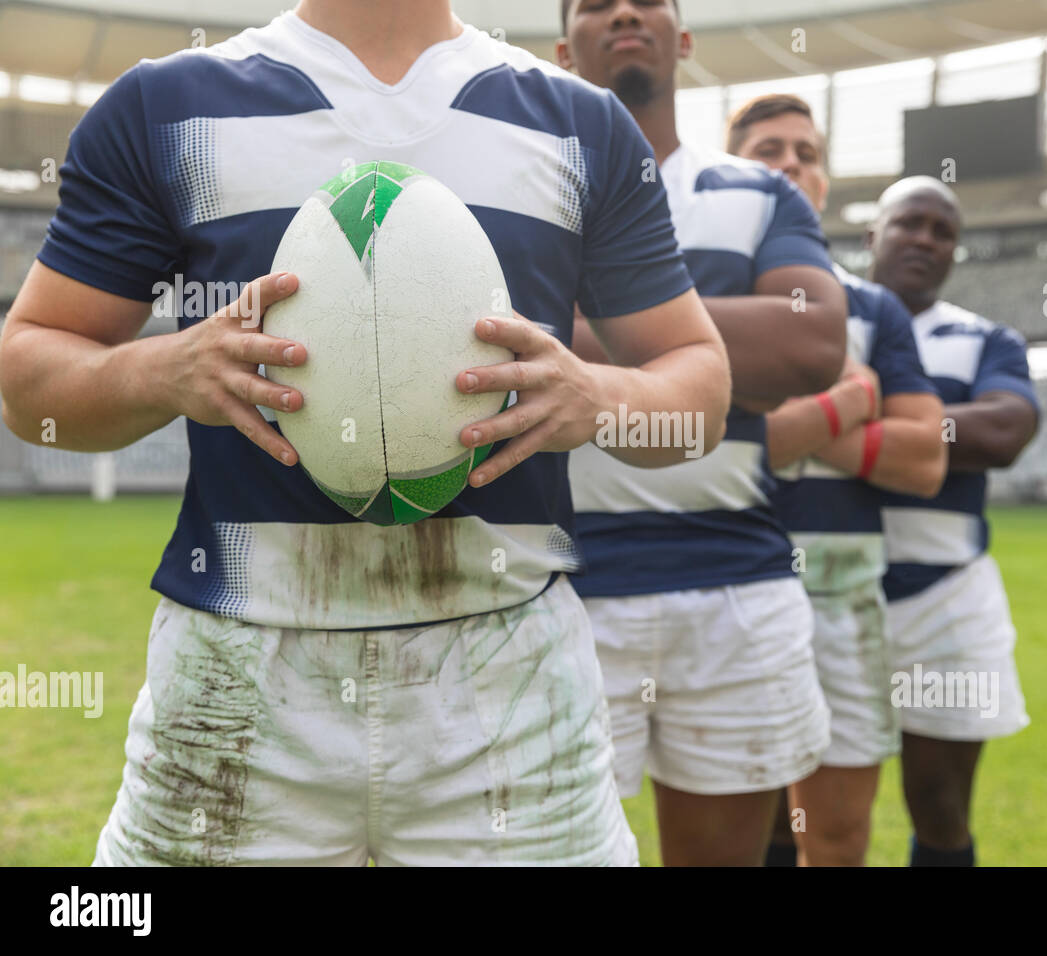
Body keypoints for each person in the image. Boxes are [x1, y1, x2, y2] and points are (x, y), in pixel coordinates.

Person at [0, 0, 733, 866]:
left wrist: (596, 397)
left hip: (508, 675)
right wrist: (162, 369)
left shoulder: (577, 122)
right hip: (239, 676)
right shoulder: (170, 105)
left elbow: (699, 383)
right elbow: (28, 377)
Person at [556, 0, 848, 866]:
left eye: (646, 0)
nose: (623, 14)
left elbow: (813, 343)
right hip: (554, 584)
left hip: (737, 585)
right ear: (561, 47)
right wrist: (695, 344)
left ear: (682, 39)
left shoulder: (754, 190)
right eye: (594, 4)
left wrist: (576, 324)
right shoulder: (522, 190)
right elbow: (485, 336)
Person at [727, 94, 947, 866]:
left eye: (806, 153)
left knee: (840, 836)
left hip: (848, 592)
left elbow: (925, 461)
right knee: (736, 838)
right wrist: (850, 398)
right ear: (732, 173)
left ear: (823, 179)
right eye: (768, 151)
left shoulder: (875, 307)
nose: (791, 164)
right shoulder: (702, 297)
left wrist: (790, 420)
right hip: (732, 591)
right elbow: (722, 452)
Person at [870, 176, 1040, 866]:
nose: (926, 240)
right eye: (910, 223)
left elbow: (1005, 430)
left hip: (945, 593)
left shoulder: (983, 338)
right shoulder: (824, 323)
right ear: (871, 235)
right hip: (821, 589)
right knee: (792, 804)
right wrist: (938, 428)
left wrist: (861, 421)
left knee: (940, 804)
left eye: (944, 233)